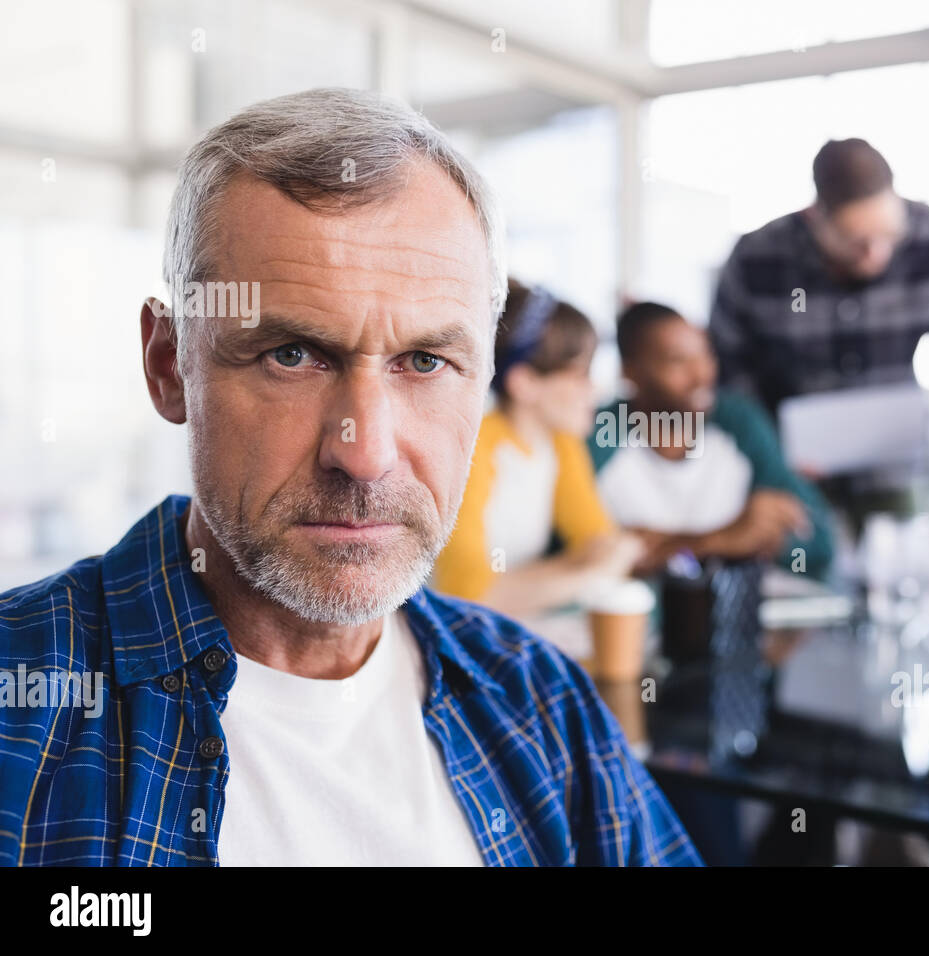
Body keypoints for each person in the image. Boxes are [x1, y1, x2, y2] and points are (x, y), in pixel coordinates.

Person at [0, 88, 701, 867]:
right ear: (169, 366)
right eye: (292, 356)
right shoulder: (20, 716)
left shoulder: (542, 707)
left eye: (427, 362)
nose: (364, 452)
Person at [709, 137, 929, 519]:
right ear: (813, 218)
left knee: (903, 566)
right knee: (803, 572)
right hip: (791, 473)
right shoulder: (756, 259)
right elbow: (730, 372)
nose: (876, 254)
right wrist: (769, 458)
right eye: (857, 242)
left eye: (888, 236)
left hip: (894, 470)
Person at [432, 278, 642, 616]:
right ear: (524, 382)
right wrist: (587, 573)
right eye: (580, 374)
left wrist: (531, 585)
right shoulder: (476, 448)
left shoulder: (560, 442)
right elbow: (467, 595)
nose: (596, 390)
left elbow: (600, 541)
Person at [589, 301, 834, 578]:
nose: (701, 375)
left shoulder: (739, 422)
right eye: (677, 361)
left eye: (706, 354)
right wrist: (723, 539)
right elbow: (579, 556)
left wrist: (773, 539)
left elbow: (819, 542)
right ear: (630, 372)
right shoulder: (600, 432)